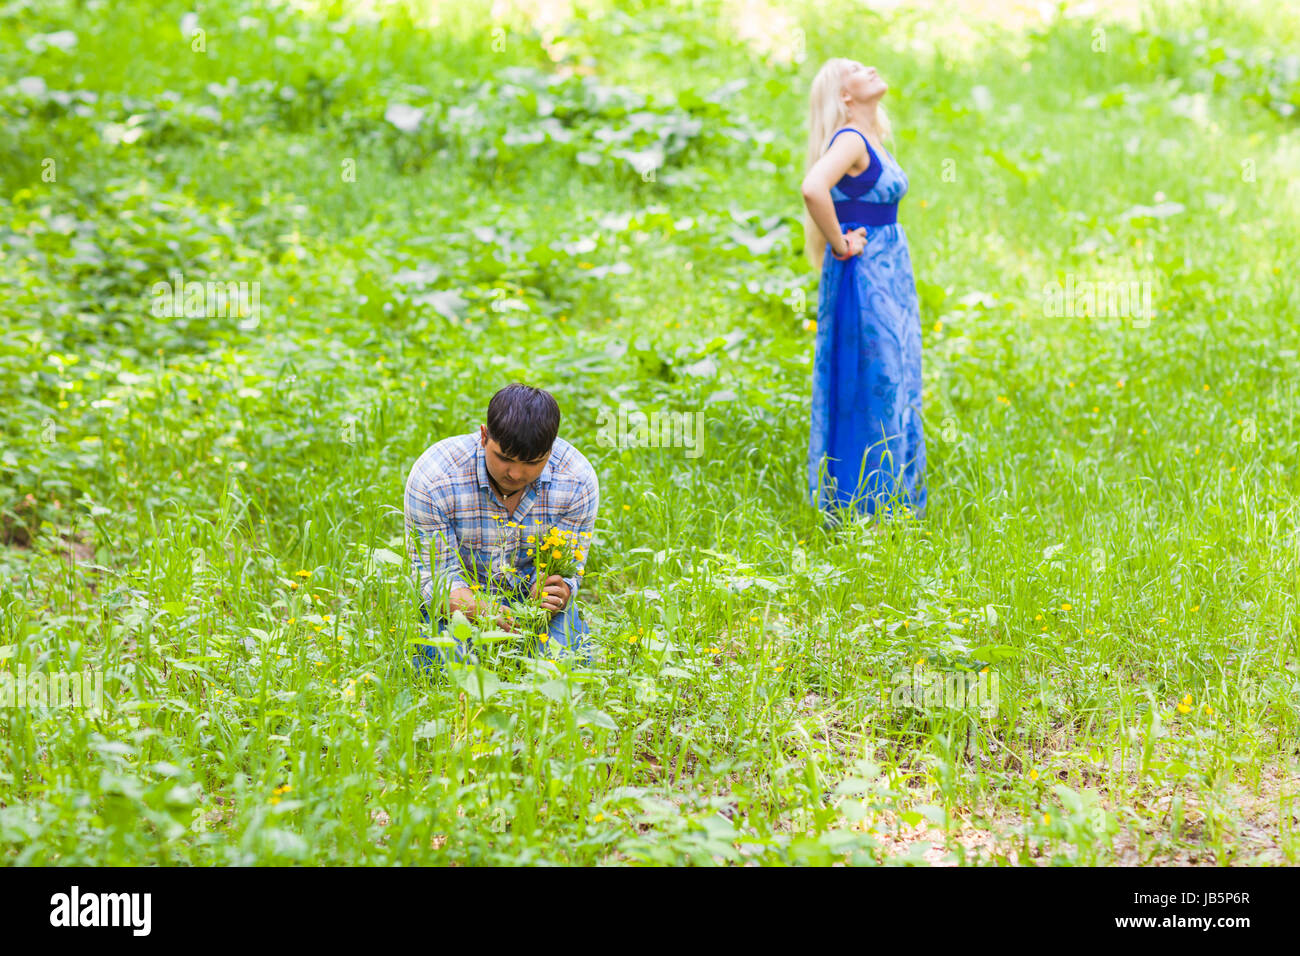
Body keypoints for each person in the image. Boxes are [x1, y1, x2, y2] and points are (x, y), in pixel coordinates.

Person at [800, 57, 928, 527]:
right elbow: (814, 187)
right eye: (856, 68)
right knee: (876, 381)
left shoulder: (871, 138)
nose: (872, 67)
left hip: (888, 276)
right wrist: (840, 243)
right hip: (866, 278)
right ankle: (868, 508)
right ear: (844, 96)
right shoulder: (851, 138)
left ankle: (888, 500)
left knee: (893, 379)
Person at [403, 383, 599, 669]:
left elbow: (570, 568)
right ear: (484, 436)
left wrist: (558, 589)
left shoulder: (577, 481)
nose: (516, 473)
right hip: (459, 601)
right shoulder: (435, 478)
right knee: (445, 668)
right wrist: (486, 611)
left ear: (551, 449)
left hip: (531, 606)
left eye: (533, 463)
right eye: (504, 458)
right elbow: (433, 579)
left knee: (566, 666)